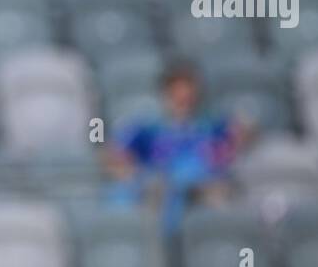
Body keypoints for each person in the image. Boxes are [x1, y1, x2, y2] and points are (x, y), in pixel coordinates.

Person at [105, 62, 245, 235]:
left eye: (188, 98)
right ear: (166, 95)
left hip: (202, 194)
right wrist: (130, 171)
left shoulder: (211, 124)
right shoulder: (149, 127)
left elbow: (242, 134)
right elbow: (115, 153)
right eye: (177, 98)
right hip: (159, 196)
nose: (183, 103)